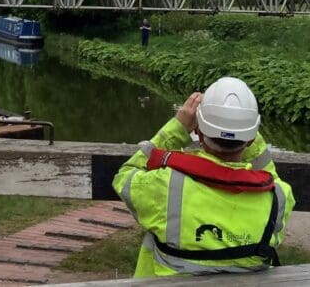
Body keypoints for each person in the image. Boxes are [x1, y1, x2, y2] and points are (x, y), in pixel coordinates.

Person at [113, 77, 294, 277]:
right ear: (251, 137)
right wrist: (241, 127)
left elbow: (125, 175)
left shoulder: (166, 185)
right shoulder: (278, 197)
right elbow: (268, 174)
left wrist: (177, 129)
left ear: (198, 131)